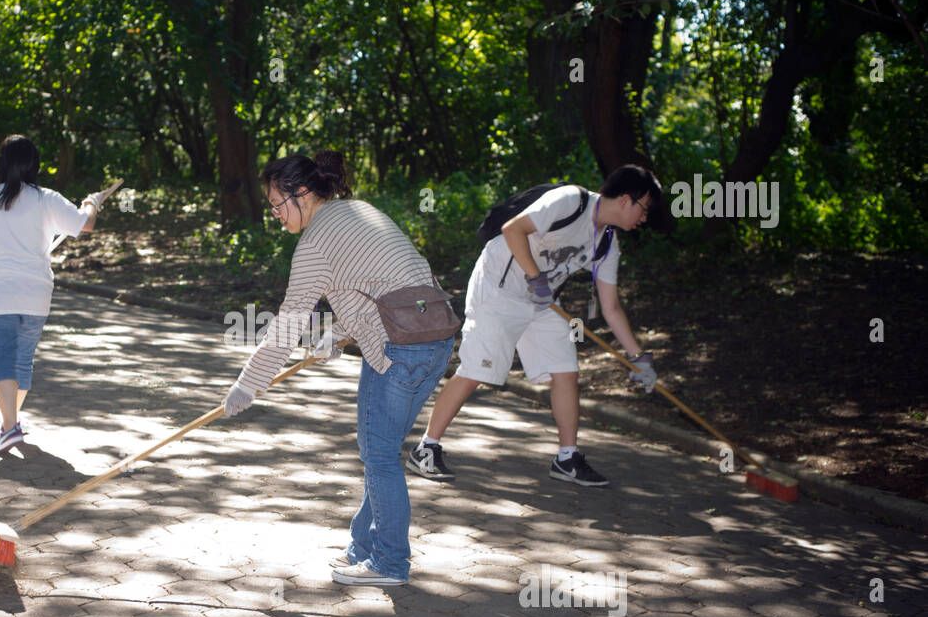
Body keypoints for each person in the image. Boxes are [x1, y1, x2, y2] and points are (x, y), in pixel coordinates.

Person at [222, 151, 454, 587]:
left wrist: (247, 385)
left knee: (380, 456)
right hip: (437, 340)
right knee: (381, 452)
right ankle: (363, 547)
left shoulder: (313, 245)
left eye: (276, 203)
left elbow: (288, 324)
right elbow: (384, 282)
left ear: (302, 194)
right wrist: (340, 332)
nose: (274, 214)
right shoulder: (360, 211)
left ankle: (389, 563)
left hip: (398, 349)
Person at [406, 164, 662, 487]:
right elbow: (513, 229)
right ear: (626, 200)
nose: (644, 218)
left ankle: (567, 458)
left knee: (565, 370)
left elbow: (610, 308)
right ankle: (425, 448)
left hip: (542, 302)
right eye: (644, 209)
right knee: (476, 371)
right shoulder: (571, 201)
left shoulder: (607, 244)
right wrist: (534, 276)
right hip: (498, 289)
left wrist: (638, 357)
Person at [0, 134, 106, 455]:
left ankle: (10, 427)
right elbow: (85, 225)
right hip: (36, 293)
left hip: (0, 293)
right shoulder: (46, 198)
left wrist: (1, 265)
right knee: (22, 361)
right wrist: (90, 203)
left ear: (1, 162)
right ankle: (10, 425)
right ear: (34, 165)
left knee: (3, 361)